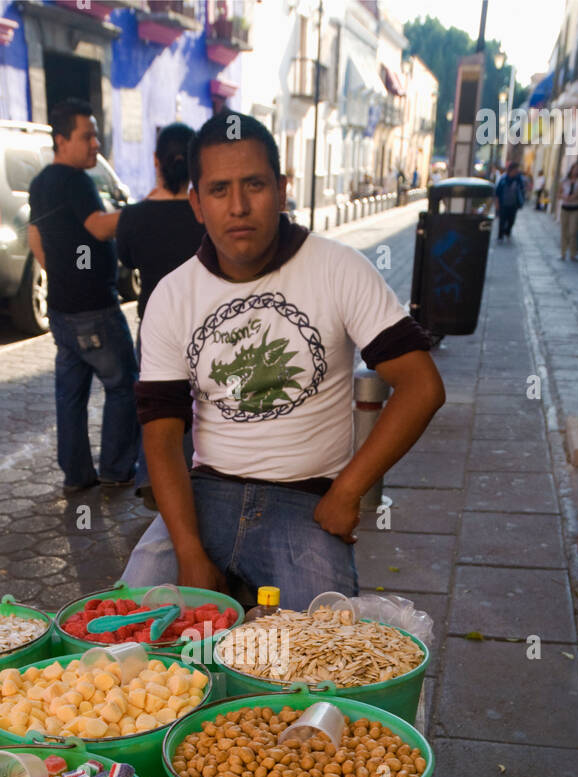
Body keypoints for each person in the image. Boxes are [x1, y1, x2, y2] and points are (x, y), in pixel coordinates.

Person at [119, 112, 445, 610]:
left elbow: (421, 385)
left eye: (254, 184)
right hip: (204, 497)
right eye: (219, 189)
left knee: (320, 662)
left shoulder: (340, 270)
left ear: (282, 189)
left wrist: (348, 491)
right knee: (131, 633)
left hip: (307, 503)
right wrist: (188, 552)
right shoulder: (172, 295)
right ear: (197, 204)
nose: (239, 206)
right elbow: (162, 434)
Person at [28, 98, 139, 494]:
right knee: (123, 383)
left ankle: (76, 476)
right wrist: (144, 215)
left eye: (96, 135)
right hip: (94, 308)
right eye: (87, 136)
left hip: (61, 309)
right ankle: (116, 468)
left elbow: (35, 237)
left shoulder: (41, 182)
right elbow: (98, 227)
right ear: (62, 140)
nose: (95, 144)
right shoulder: (76, 181)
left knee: (70, 395)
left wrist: (59, 273)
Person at [115, 123, 204, 504]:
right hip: (205, 323)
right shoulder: (204, 214)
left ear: (156, 162)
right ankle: (196, 477)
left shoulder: (134, 216)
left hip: (154, 325)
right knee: (201, 406)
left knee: (157, 405)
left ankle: (155, 478)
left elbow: (127, 261)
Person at [558, 160, 578, 261]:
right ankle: (563, 252)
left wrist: (576, 196)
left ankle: (573, 253)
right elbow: (558, 194)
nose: (575, 171)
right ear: (571, 169)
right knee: (564, 231)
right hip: (565, 207)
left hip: (575, 208)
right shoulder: (564, 181)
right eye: (574, 168)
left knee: (572, 231)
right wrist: (564, 196)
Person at [494, 161, 526, 241]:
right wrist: (497, 204)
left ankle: (507, 231)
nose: (516, 172)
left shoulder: (518, 179)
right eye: (515, 170)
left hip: (513, 205)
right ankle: (500, 235)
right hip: (503, 204)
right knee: (502, 220)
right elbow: (497, 192)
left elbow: (522, 189)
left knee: (511, 220)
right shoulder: (503, 179)